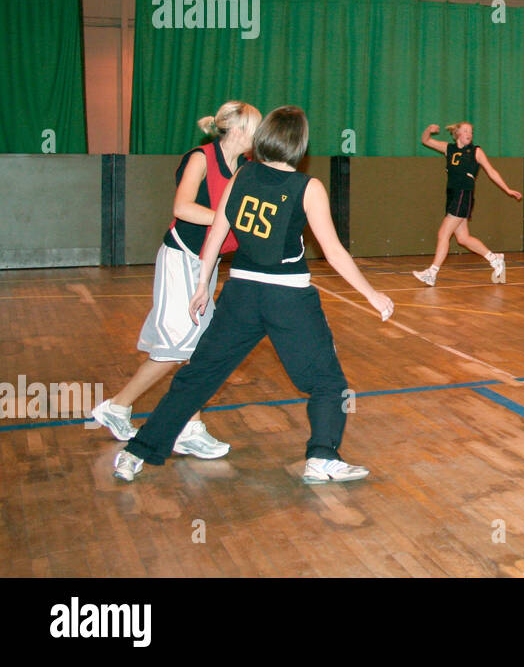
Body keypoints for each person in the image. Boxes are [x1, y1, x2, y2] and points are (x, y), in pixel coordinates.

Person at [112, 106, 395, 484]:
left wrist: (201, 285)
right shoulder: (307, 188)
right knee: (327, 383)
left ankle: (136, 452)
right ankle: (322, 457)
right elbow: (333, 251)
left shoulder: (242, 174)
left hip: (241, 294)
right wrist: (371, 293)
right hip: (288, 299)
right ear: (300, 144)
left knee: (198, 376)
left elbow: (216, 232)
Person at [91, 101, 262, 458]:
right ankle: (188, 426)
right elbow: (182, 207)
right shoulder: (200, 158)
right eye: (256, 126)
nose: (260, 134)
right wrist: (225, 218)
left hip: (206, 263)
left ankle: (119, 407)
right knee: (189, 348)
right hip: (180, 257)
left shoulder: (245, 168)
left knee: (181, 348)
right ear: (237, 129)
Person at [412, 122, 521, 287]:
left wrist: (507, 189)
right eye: (465, 131)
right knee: (463, 238)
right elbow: (425, 140)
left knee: (443, 234)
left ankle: (432, 273)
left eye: (471, 131)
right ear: (457, 134)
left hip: (464, 193)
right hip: (452, 194)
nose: (469, 134)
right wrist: (428, 130)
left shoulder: (476, 151)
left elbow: (491, 171)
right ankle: (495, 259)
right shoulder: (449, 148)